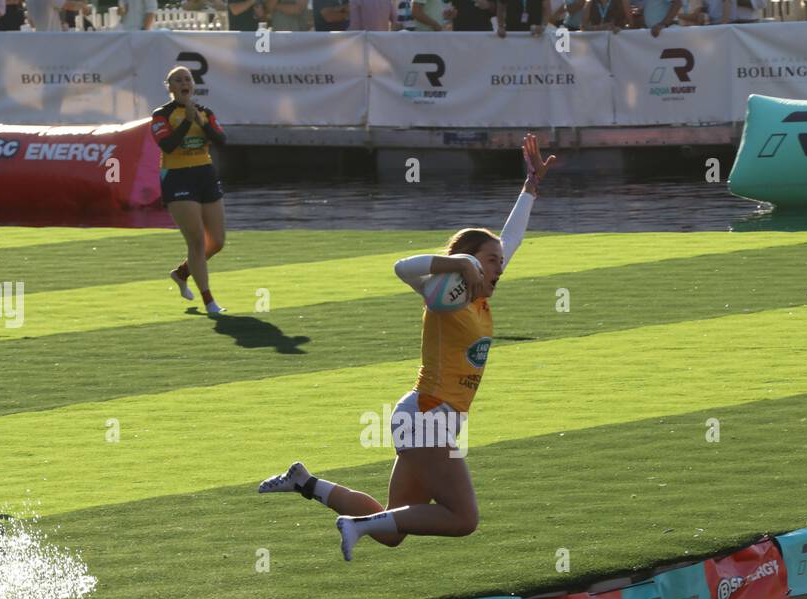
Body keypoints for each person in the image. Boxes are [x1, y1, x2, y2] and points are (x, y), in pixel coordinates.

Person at [259, 134, 557, 562]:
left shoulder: (480, 296)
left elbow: (513, 236)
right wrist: (455, 262)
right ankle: (355, 524)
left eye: (499, 259)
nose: (501, 264)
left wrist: (530, 187)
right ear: (469, 262)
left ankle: (306, 482)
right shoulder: (446, 296)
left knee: (392, 528)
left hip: (430, 418)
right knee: (463, 518)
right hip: (426, 417)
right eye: (491, 259)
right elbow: (402, 267)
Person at [151, 67, 227, 313]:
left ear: (193, 85)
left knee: (216, 241)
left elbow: (221, 140)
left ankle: (182, 273)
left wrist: (200, 123)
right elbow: (168, 145)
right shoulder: (161, 114)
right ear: (170, 87)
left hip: (205, 173)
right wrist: (186, 123)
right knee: (196, 240)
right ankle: (209, 302)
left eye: (187, 79)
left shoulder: (205, 112)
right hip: (178, 177)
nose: (184, 83)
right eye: (178, 80)